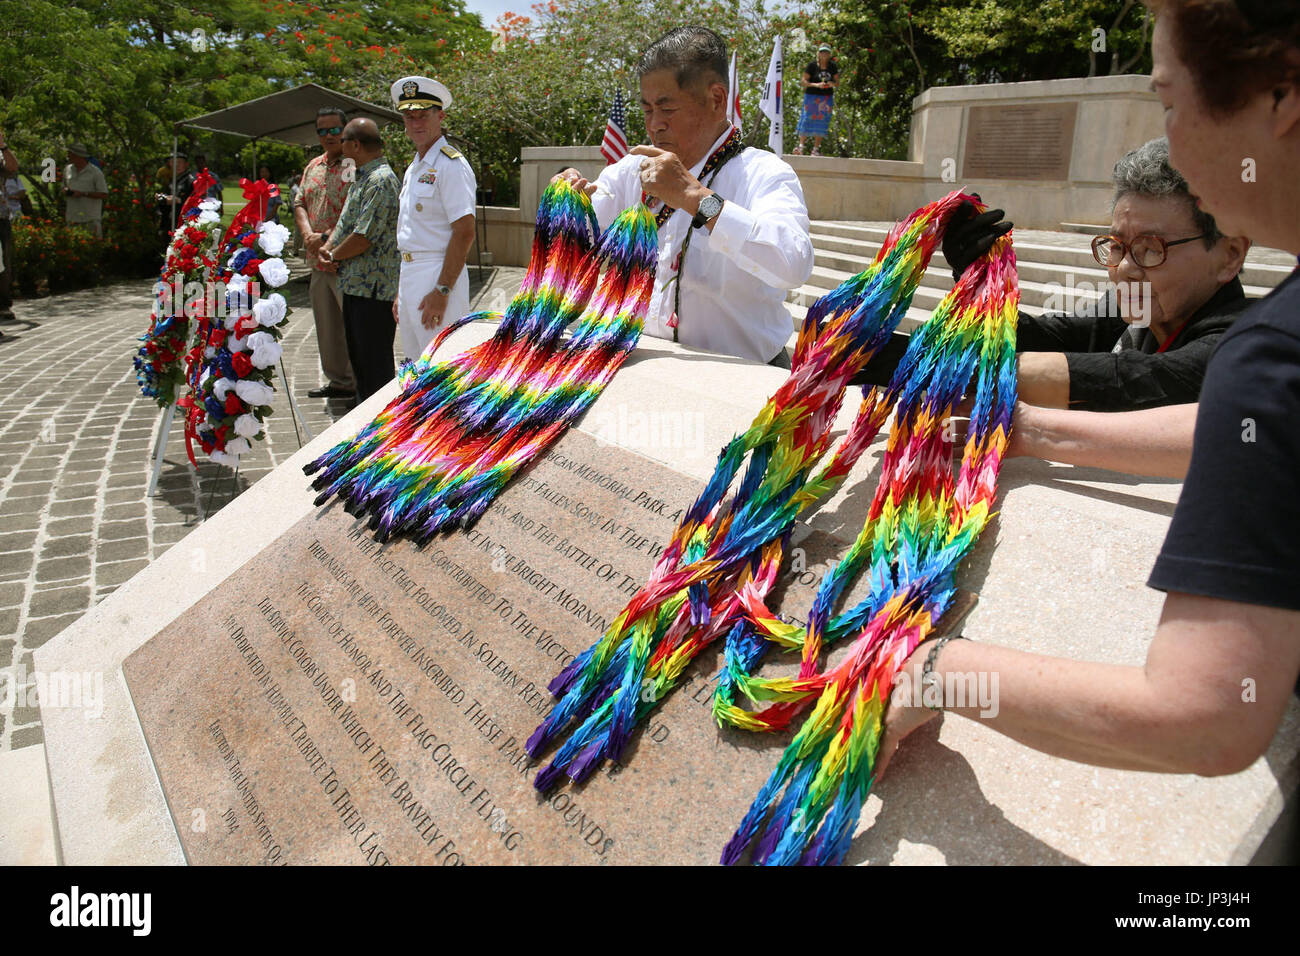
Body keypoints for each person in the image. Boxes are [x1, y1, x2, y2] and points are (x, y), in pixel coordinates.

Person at [879, 0, 1300, 820]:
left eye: (1169, 100)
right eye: (1119, 248)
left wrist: (937, 671)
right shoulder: (1228, 354)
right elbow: (1220, 434)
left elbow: (1203, 719)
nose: (1166, 132)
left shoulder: (1261, 351)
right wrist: (965, 310)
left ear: (1281, 98)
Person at [854, 138, 1252, 411]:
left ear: (1229, 255)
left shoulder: (1251, 343)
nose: (1126, 270)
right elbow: (1046, 337)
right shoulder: (1138, 311)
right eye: (1117, 246)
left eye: (1152, 249)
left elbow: (1139, 379)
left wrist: (947, 369)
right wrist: (976, 273)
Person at [553, 26, 814, 365]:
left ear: (717, 100)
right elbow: (581, 240)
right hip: (637, 367)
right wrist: (567, 202)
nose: (654, 125)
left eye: (667, 109)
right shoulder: (630, 171)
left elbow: (793, 263)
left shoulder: (765, 174)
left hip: (742, 377)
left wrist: (693, 197)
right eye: (647, 109)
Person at [391, 74, 477, 361]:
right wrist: (401, 291)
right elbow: (410, 233)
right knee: (416, 364)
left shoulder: (450, 165)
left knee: (443, 364)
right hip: (411, 274)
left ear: (439, 116)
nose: (416, 124)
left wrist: (442, 290)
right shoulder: (415, 167)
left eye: (423, 116)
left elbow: (464, 231)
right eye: (409, 117)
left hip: (438, 274)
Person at [320, 119, 401, 404]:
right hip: (355, 286)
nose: (338, 146)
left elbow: (364, 236)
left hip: (374, 291)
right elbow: (346, 222)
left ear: (355, 145)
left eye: (343, 140)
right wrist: (328, 248)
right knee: (360, 364)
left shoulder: (382, 180)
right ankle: (362, 416)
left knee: (375, 366)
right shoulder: (361, 176)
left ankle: (381, 424)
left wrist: (332, 255)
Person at [293, 108, 357, 401]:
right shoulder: (313, 166)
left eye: (335, 130)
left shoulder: (353, 164)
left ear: (345, 130)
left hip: (345, 259)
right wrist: (308, 235)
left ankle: (362, 382)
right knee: (327, 324)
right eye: (323, 131)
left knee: (353, 325)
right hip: (317, 259)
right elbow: (300, 203)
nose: (329, 136)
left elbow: (355, 209)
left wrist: (325, 240)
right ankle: (339, 382)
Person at [794, 44, 838, 156]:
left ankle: (815, 149)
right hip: (812, 97)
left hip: (826, 98)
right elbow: (804, 81)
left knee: (822, 121)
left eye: (826, 52)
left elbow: (837, 82)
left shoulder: (832, 66)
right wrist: (816, 85)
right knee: (807, 119)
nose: (824, 54)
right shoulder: (812, 66)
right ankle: (800, 147)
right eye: (822, 52)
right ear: (818, 53)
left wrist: (831, 84)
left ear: (829, 54)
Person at [63, 143, 108, 238]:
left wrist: (84, 194)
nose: (68, 157)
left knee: (93, 249)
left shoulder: (95, 172)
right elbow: (64, 186)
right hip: (72, 217)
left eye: (70, 154)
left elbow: (104, 194)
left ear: (78, 156)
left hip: (90, 219)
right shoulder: (67, 169)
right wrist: (66, 191)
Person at [0, 128, 18, 326]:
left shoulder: (1, 154)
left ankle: (3, 305)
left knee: (4, 262)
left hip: (1, 216)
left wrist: (3, 146)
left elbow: (13, 167)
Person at [155, 152, 195, 237]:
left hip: (182, 220)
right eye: (173, 162)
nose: (177, 165)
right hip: (169, 219)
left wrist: (179, 200)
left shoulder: (190, 181)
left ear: (186, 164)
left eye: (180, 162)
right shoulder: (171, 179)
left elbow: (195, 200)